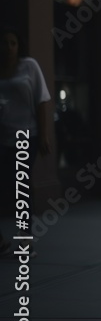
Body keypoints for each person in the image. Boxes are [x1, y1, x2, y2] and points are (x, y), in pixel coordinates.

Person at [0, 26, 52, 256]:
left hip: (25, 135)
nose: (8, 48)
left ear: (18, 45)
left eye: (12, 43)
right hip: (2, 136)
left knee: (20, 187)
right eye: (4, 43)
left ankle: (25, 239)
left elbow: (41, 100)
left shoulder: (29, 66)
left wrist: (43, 134)